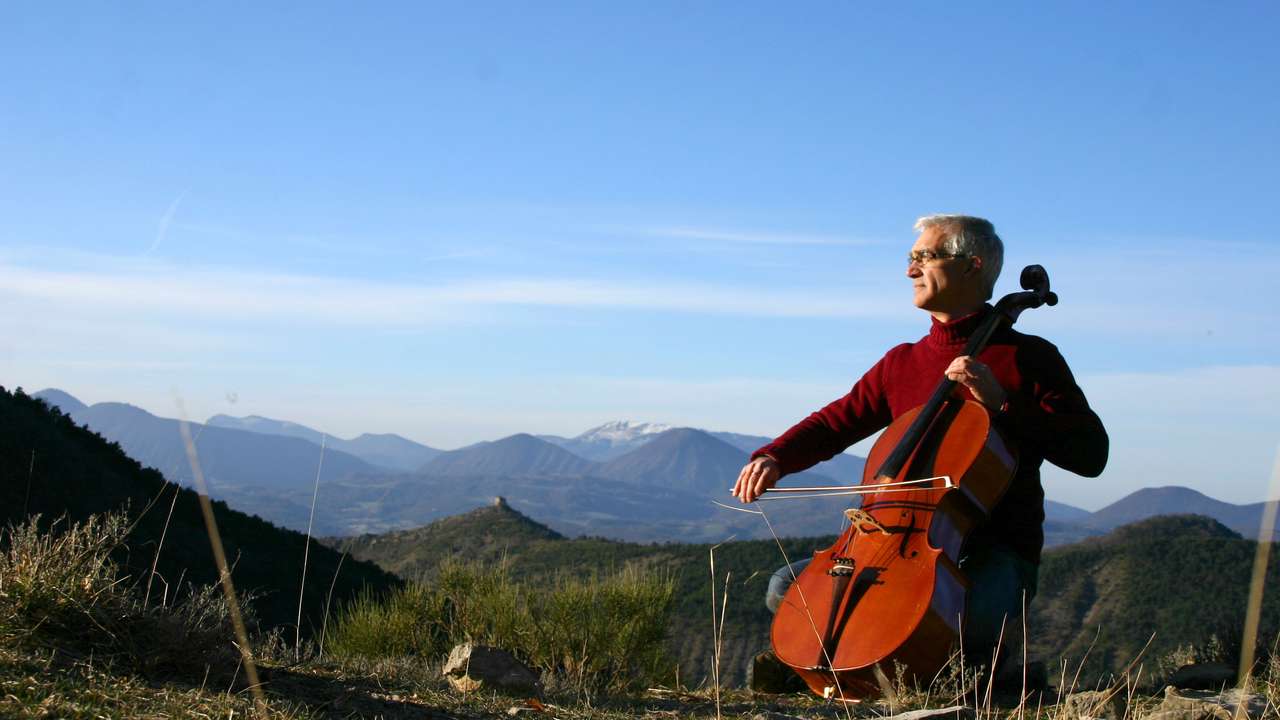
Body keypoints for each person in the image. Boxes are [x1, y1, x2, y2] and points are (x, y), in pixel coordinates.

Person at [731, 214, 1108, 662]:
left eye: (925, 257)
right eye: (910, 258)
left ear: (972, 265)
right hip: (893, 541)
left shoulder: (1031, 358)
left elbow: (1091, 455)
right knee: (785, 588)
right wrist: (775, 457)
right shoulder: (902, 362)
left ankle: (986, 679)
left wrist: (1003, 403)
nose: (910, 270)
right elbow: (836, 422)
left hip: (992, 550)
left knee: (975, 621)